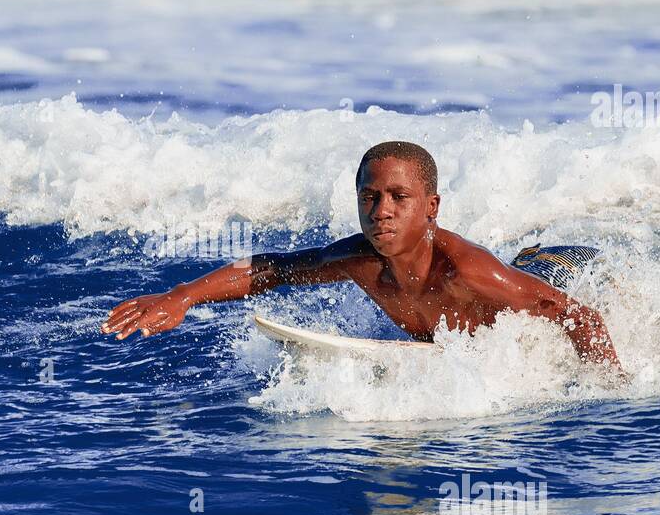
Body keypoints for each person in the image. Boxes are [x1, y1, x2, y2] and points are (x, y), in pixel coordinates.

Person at [102, 141, 627, 374]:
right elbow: (271, 270)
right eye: (370, 197)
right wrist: (182, 296)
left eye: (400, 198)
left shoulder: (466, 269)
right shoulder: (358, 261)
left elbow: (575, 314)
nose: (382, 211)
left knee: (598, 285)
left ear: (432, 208)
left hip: (556, 271)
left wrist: (608, 389)